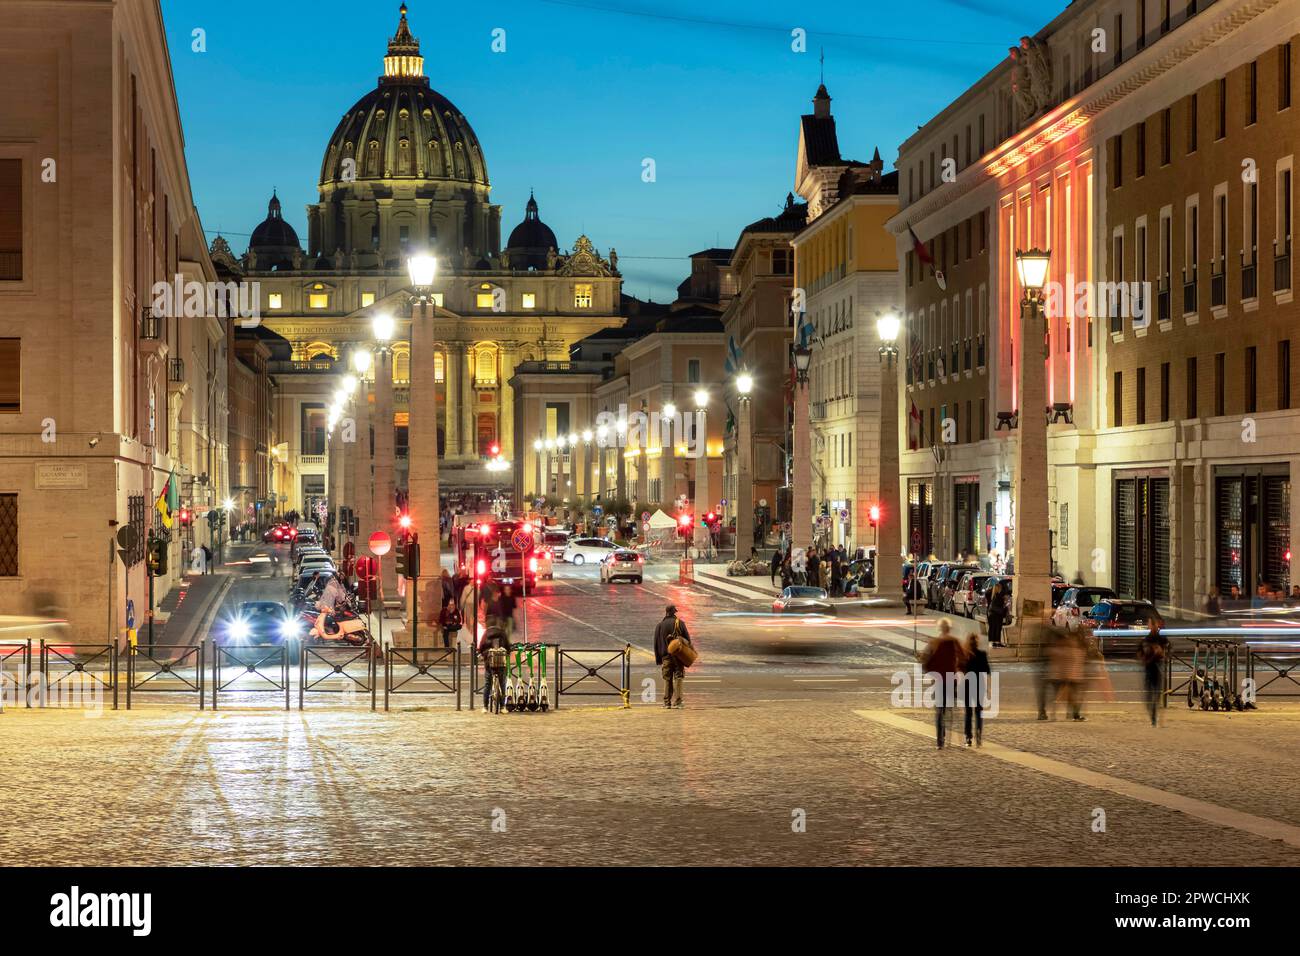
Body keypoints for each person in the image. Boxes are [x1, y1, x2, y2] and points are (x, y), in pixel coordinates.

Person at [921, 619, 966, 748]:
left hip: (939, 680)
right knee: (951, 708)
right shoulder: (954, 642)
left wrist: (931, 672)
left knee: (939, 710)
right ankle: (958, 738)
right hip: (951, 679)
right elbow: (963, 658)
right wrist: (959, 668)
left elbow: (925, 660)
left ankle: (940, 740)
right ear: (949, 628)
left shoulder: (934, 643)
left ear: (939, 629)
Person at [653, 605, 692, 709]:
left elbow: (656, 644)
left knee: (667, 679)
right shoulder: (680, 623)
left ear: (666, 613)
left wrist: (658, 659)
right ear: (674, 612)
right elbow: (688, 640)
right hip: (678, 656)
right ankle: (678, 702)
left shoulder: (659, 625)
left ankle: (667, 702)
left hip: (665, 657)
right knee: (678, 678)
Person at [1137, 618, 1169, 727]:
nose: (1152, 626)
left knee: (1156, 693)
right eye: (1151, 623)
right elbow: (1139, 652)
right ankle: (1153, 715)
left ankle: (1154, 717)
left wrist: (1161, 652)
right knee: (1149, 696)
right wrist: (1144, 659)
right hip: (1149, 667)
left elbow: (1167, 651)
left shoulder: (1161, 639)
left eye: (1153, 624)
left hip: (1157, 667)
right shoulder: (1146, 639)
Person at [1048, 629, 1086, 721]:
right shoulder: (1069, 651)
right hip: (1067, 677)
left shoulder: (1068, 650)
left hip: (1068, 677)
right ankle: (1071, 715)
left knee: (1067, 697)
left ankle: (1072, 715)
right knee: (1064, 697)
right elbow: (1068, 664)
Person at [963, 631, 990, 747]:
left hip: (968, 685)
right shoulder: (982, 654)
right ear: (977, 643)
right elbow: (987, 671)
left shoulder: (965, 655)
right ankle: (978, 735)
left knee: (968, 712)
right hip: (979, 685)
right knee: (978, 711)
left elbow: (961, 669)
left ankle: (968, 737)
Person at [479, 621, 510, 710]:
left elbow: (481, 647)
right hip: (501, 663)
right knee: (502, 683)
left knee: (488, 684)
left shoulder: (486, 633)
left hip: (490, 663)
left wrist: (483, 654)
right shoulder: (502, 633)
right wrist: (507, 653)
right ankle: (503, 707)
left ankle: (485, 707)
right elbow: (508, 647)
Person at [987, 581, 1007, 647]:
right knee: (997, 628)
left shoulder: (993, 596)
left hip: (991, 614)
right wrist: (1005, 609)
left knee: (993, 628)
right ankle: (997, 642)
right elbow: (998, 607)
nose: (1001, 589)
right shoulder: (998, 596)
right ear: (999, 589)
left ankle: (993, 642)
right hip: (996, 615)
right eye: (1000, 588)